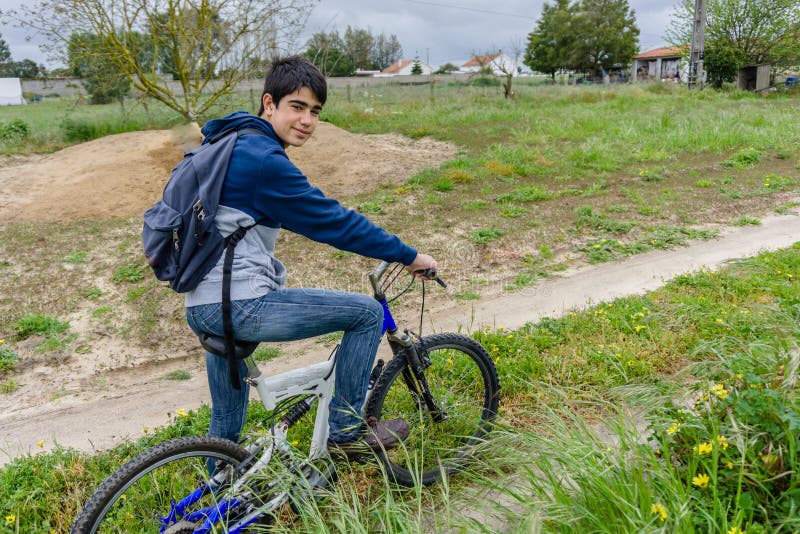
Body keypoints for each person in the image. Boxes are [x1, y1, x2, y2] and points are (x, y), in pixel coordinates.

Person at [184, 56, 437, 459]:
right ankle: (347, 431)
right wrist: (406, 254)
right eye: (297, 107)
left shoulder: (229, 142)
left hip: (203, 303)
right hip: (238, 305)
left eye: (315, 111)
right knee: (366, 314)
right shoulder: (265, 161)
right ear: (270, 104)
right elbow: (332, 222)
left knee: (225, 424)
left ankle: (217, 506)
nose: (307, 120)